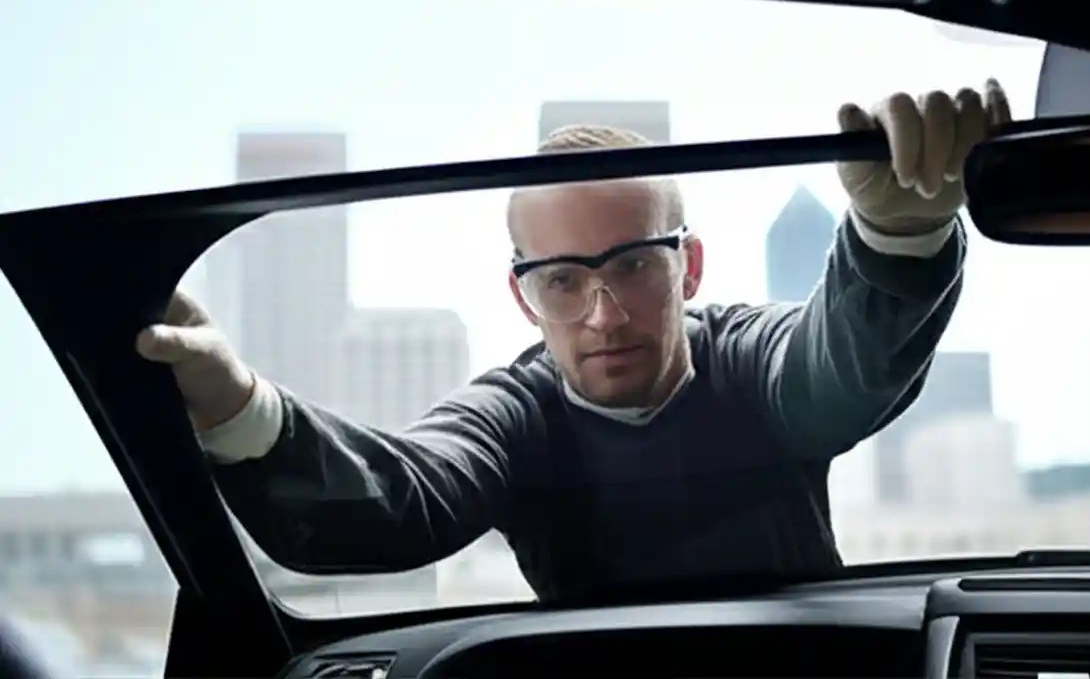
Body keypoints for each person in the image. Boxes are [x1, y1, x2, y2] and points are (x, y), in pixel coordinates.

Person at [136, 82, 1011, 601]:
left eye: (632, 266)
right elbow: (397, 502)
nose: (602, 313)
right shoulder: (516, 413)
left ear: (690, 268)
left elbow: (839, 374)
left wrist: (899, 238)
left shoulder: (749, 358)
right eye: (562, 281)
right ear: (524, 301)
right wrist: (231, 400)